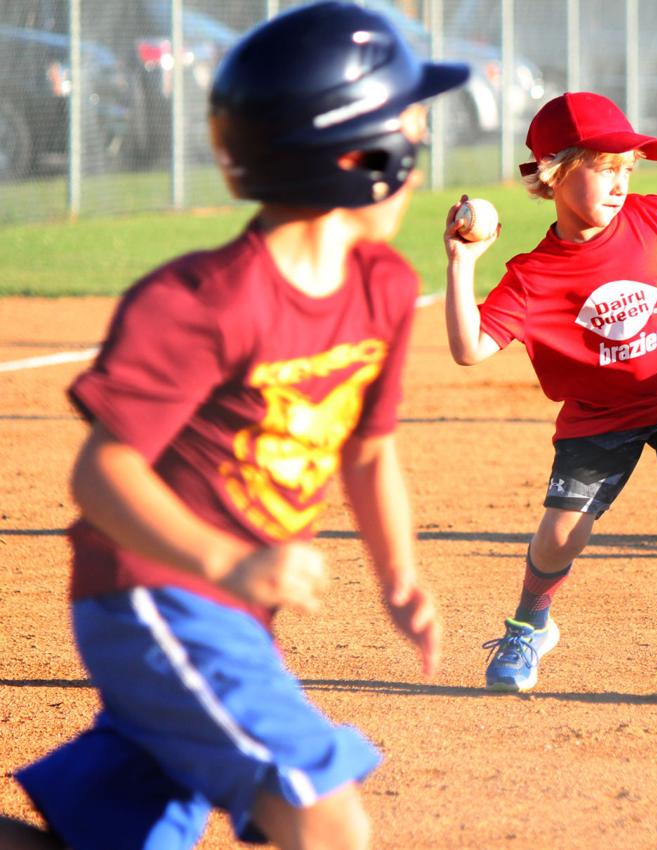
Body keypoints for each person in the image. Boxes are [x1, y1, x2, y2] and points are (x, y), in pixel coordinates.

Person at [0, 4, 468, 849]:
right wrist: (228, 560)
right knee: (329, 822)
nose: (419, 157)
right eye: (411, 134)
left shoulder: (387, 288)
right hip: (154, 595)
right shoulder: (204, 301)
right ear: (360, 159)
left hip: (227, 611)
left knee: (117, 838)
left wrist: (400, 580)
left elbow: (369, 449)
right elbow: (100, 474)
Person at [443, 91, 657, 704]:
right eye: (604, 166)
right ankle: (529, 627)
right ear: (555, 173)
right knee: (561, 535)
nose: (621, 181)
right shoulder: (533, 274)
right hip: (600, 414)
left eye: (627, 167)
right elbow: (470, 349)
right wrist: (462, 263)